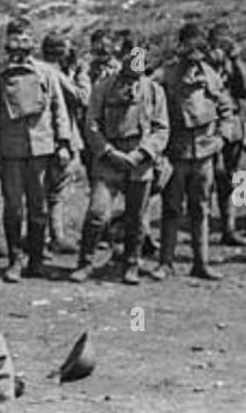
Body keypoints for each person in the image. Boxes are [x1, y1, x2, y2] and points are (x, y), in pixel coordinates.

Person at [0, 17, 75, 282]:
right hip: (10, 151)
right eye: (15, 37)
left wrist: (64, 143)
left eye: (25, 37)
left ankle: (36, 261)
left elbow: (59, 109)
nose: (21, 43)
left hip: (41, 149)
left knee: (39, 206)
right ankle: (14, 261)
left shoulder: (46, 72)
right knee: (13, 209)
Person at [69, 40, 170, 285]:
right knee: (97, 213)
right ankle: (86, 263)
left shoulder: (155, 91)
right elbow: (91, 125)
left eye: (140, 63)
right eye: (130, 62)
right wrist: (108, 151)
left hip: (140, 161)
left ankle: (131, 265)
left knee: (136, 219)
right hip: (109, 160)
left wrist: (142, 154)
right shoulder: (103, 87)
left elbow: (161, 129)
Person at [152, 23, 234, 281]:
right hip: (176, 154)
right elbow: (148, 99)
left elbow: (226, 110)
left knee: (201, 210)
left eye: (199, 50)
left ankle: (201, 262)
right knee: (172, 209)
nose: (194, 57)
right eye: (189, 50)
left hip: (204, 155)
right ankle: (165, 263)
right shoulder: (166, 75)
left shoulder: (210, 75)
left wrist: (222, 138)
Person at [40, 33, 92, 256]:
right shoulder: (52, 72)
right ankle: (52, 237)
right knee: (51, 192)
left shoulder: (42, 70)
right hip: (58, 139)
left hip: (48, 138)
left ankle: (52, 236)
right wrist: (81, 74)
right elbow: (82, 97)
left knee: (51, 192)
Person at [206, 23, 246, 244]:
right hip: (208, 125)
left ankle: (228, 228)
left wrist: (235, 59)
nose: (221, 47)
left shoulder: (232, 65)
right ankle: (203, 226)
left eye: (225, 42)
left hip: (232, 124)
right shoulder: (202, 63)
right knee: (206, 178)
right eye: (217, 42)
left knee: (230, 177)